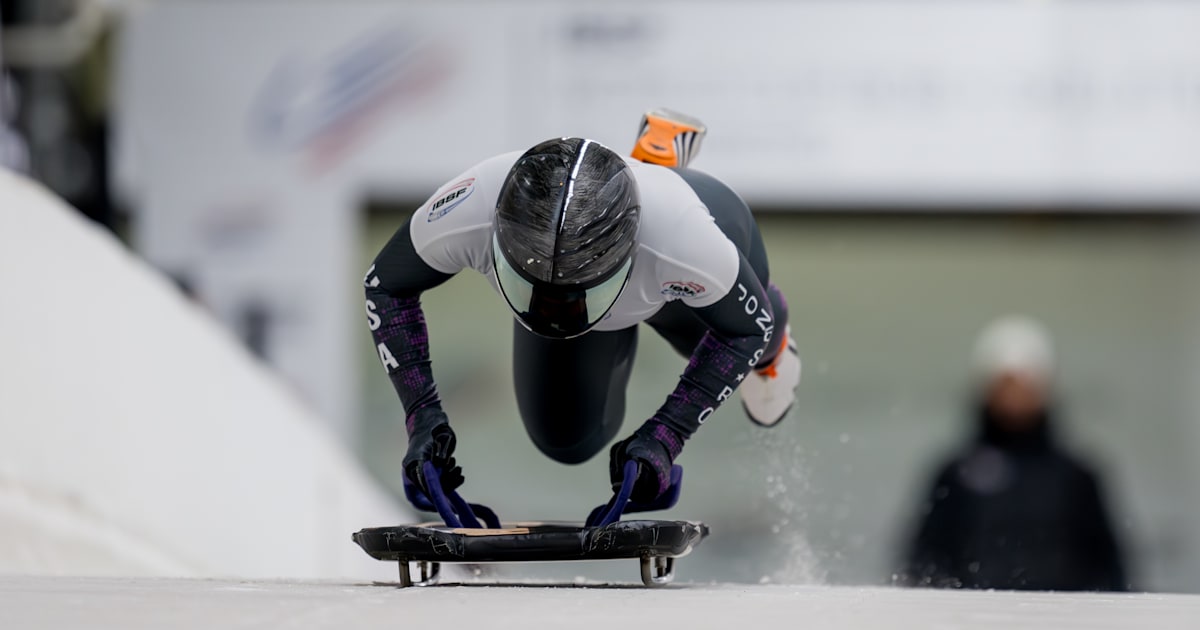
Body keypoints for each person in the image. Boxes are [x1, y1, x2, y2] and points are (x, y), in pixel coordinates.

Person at [363, 109, 801, 506]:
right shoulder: (471, 207)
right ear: (495, 236)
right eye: (527, 285)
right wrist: (422, 418)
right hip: (635, 281)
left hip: (674, 260)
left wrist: (666, 436)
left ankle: (654, 164)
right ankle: (644, 168)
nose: (551, 313)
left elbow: (749, 328)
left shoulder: (684, 241)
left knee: (743, 341)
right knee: (567, 441)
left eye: (573, 297)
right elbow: (383, 286)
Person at [897, 316, 1129, 591]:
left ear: (1044, 388)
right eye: (1005, 384)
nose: (1014, 397)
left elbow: (1111, 567)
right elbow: (923, 561)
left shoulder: (1077, 476)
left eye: (1025, 385)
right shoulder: (956, 472)